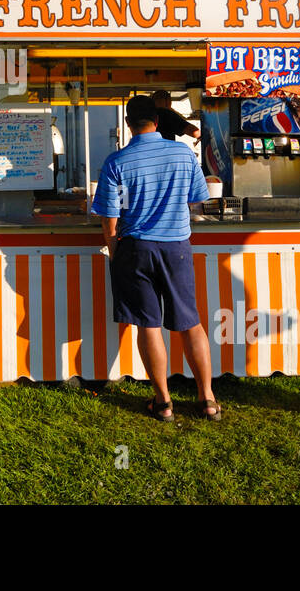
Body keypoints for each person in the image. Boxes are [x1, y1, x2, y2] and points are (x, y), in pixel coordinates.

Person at [92, 95, 221, 422]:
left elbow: (109, 217)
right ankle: (207, 399)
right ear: (159, 121)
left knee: (148, 325)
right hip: (176, 246)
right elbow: (197, 198)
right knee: (190, 322)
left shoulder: (116, 162)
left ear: (127, 123)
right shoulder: (182, 153)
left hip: (136, 248)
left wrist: (113, 248)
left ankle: (163, 402)